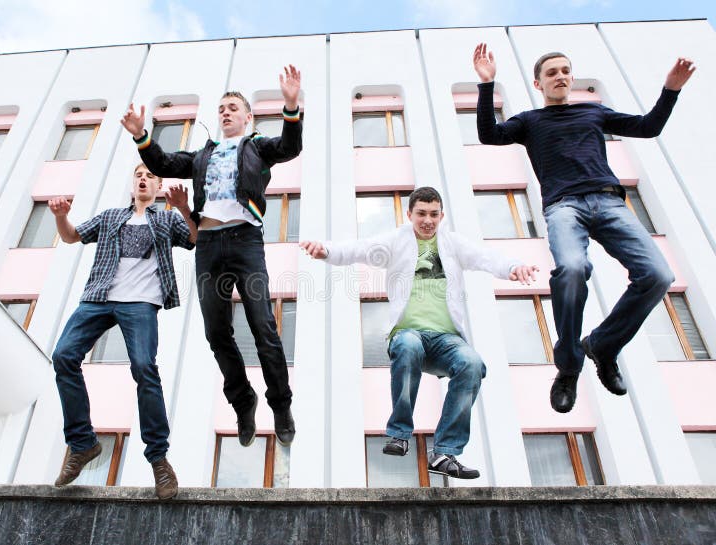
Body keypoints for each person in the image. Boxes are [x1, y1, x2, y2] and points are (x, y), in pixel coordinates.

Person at [472, 43, 695, 413]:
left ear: (571, 78)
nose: (559, 77)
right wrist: (486, 85)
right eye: (551, 73)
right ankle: (569, 364)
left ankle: (603, 346)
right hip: (563, 207)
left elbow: (648, 127)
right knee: (573, 270)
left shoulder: (593, 112)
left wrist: (671, 89)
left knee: (658, 274)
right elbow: (489, 135)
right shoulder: (529, 121)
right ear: (538, 83)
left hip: (608, 202)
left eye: (565, 71)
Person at [120, 66, 303, 448]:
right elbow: (164, 164)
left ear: (248, 116)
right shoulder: (203, 155)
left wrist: (290, 105)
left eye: (233, 107)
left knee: (263, 327)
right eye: (221, 108)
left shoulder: (257, 147)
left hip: (245, 242)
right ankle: (243, 401)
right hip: (208, 245)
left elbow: (290, 147)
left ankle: (281, 405)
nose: (226, 112)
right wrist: (141, 134)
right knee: (216, 332)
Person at [300, 187, 538, 479]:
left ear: (441, 215)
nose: (428, 220)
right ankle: (400, 433)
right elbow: (361, 249)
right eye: (421, 214)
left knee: (472, 364)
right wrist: (327, 251)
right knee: (409, 345)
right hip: (408, 333)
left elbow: (484, 257)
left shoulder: (452, 244)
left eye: (434, 214)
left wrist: (513, 267)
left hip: (446, 340)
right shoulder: (396, 241)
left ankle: (444, 452)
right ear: (409, 214)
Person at [49, 163, 195, 499]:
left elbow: (194, 238)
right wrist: (60, 215)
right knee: (63, 356)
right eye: (139, 175)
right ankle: (82, 444)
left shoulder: (167, 218)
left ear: (158, 186)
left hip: (141, 302)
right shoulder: (111, 216)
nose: (143, 179)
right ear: (133, 183)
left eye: (150, 177)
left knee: (145, 368)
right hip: (98, 298)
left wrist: (185, 208)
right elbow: (72, 236)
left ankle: (159, 459)